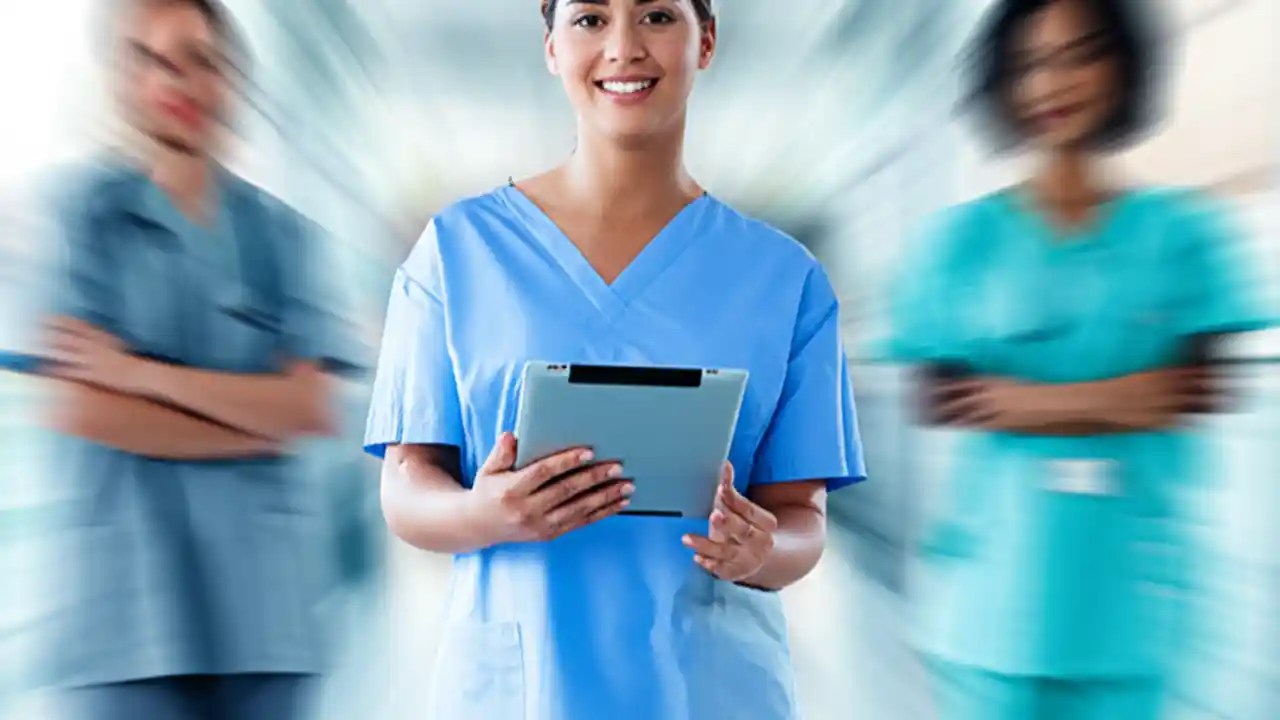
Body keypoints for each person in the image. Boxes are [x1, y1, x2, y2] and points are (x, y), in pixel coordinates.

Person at [363, 1, 866, 718]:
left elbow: (802, 520)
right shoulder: (455, 253)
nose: (623, 46)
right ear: (551, 46)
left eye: (657, 15)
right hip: (524, 689)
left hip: (707, 688)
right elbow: (406, 487)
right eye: (590, 19)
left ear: (706, 40)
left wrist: (760, 552)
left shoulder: (785, 280)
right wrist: (485, 513)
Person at [885, 0, 1272, 718]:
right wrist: (1124, 397)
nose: (1053, 84)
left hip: (1132, 607)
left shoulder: (1185, 235)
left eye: (1080, 56)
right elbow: (941, 399)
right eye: (1031, 65)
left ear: (1122, 67)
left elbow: (1196, 392)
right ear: (1004, 83)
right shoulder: (960, 243)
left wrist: (1018, 401)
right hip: (994, 604)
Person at [39, 1, 354, 717]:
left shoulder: (282, 235)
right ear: (119, 77)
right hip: (123, 621)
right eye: (149, 59)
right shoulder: (80, 218)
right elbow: (80, 406)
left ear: (231, 77)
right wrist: (255, 422)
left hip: (268, 621)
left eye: (199, 59)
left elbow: (312, 408)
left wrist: (138, 374)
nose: (175, 81)